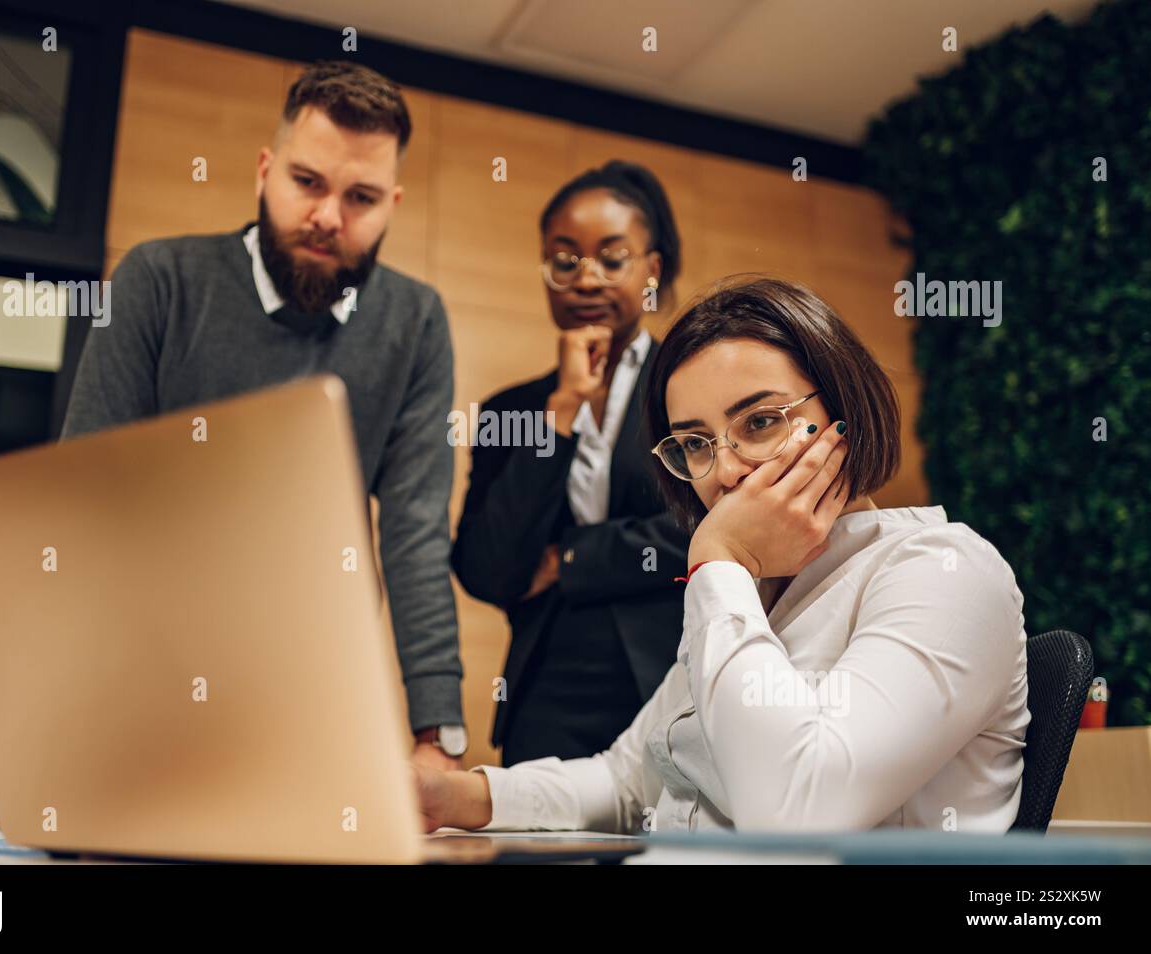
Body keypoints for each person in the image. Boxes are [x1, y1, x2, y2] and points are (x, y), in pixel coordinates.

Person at [419, 275, 1031, 831]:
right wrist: (456, 796)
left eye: (760, 422)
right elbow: (628, 782)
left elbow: (798, 808)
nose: (726, 472)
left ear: (845, 407)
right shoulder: (747, 593)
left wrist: (717, 559)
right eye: (695, 443)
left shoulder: (942, 570)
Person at [61, 61, 467, 769]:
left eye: (361, 197)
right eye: (307, 182)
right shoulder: (159, 281)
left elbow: (415, 532)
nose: (329, 217)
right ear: (264, 171)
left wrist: (438, 733)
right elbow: (86, 494)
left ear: (392, 205)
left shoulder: (416, 321)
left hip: (310, 688)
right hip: (140, 676)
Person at [451, 161, 689, 765]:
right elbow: (484, 568)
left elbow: (710, 525)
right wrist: (559, 414)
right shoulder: (511, 410)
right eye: (564, 261)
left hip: (673, 678)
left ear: (651, 270)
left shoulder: (690, 388)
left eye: (612, 259)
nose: (586, 279)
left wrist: (569, 559)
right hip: (544, 691)